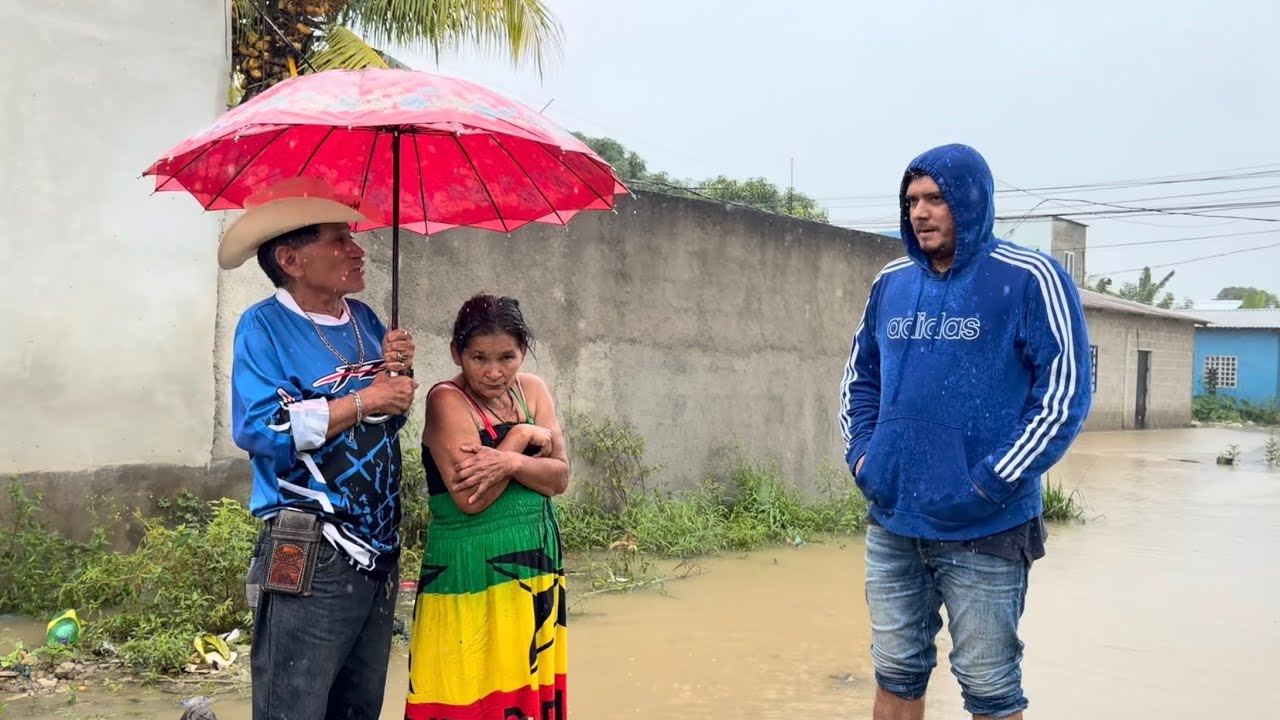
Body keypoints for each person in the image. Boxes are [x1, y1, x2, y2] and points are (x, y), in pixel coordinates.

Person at [838, 144, 1092, 720]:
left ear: (971, 201)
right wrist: (864, 460)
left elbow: (1063, 398)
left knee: (990, 687)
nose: (920, 213)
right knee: (895, 671)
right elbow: (861, 379)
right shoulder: (892, 282)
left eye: (935, 199)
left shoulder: (1030, 278)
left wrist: (986, 484)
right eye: (911, 201)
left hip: (988, 527)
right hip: (895, 522)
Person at [224, 177, 418, 720]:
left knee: (358, 706)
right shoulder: (262, 326)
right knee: (294, 705)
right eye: (338, 239)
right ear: (291, 258)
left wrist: (398, 377)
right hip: (306, 546)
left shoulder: (368, 321)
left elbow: (388, 422)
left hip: (378, 551)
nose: (357, 249)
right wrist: (367, 397)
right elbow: (262, 428)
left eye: (351, 236)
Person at [404, 293, 570, 720]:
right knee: (468, 686)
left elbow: (560, 478)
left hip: (535, 560)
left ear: (523, 352)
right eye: (478, 357)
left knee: (524, 682)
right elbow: (471, 498)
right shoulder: (446, 399)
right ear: (456, 353)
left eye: (506, 357)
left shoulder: (533, 389)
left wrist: (507, 461)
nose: (494, 371)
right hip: (468, 568)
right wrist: (520, 442)